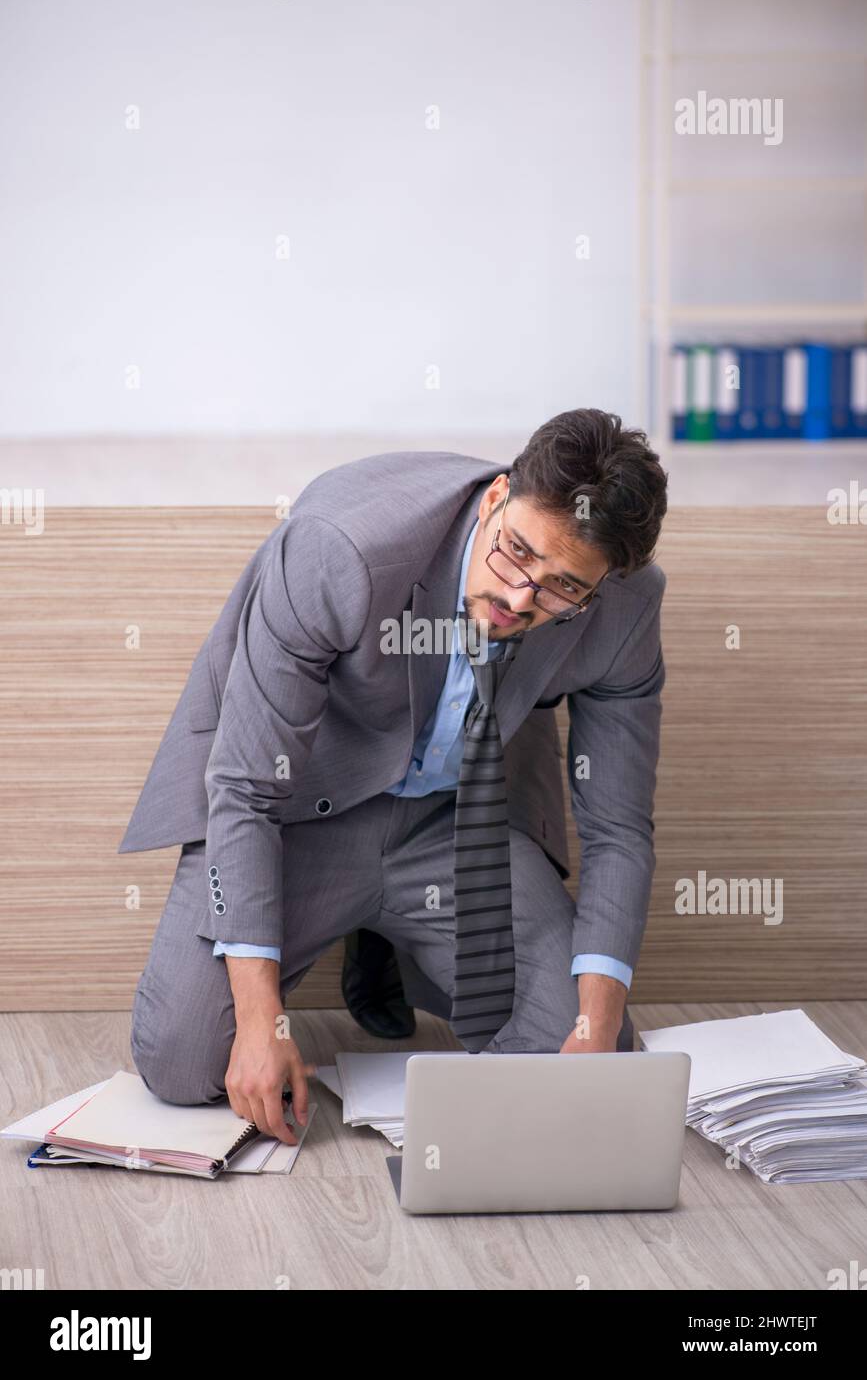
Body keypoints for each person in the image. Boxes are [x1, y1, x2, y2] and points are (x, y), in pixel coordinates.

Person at [121, 408, 668, 1146]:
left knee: (574, 1056)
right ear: (496, 496)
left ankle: (386, 937)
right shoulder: (339, 548)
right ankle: (359, 926)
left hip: (457, 822)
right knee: (183, 1064)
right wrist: (259, 1023)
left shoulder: (624, 610)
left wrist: (596, 1024)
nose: (517, 601)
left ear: (606, 583)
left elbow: (618, 827)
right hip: (304, 815)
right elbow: (247, 788)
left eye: (561, 590)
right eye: (515, 557)